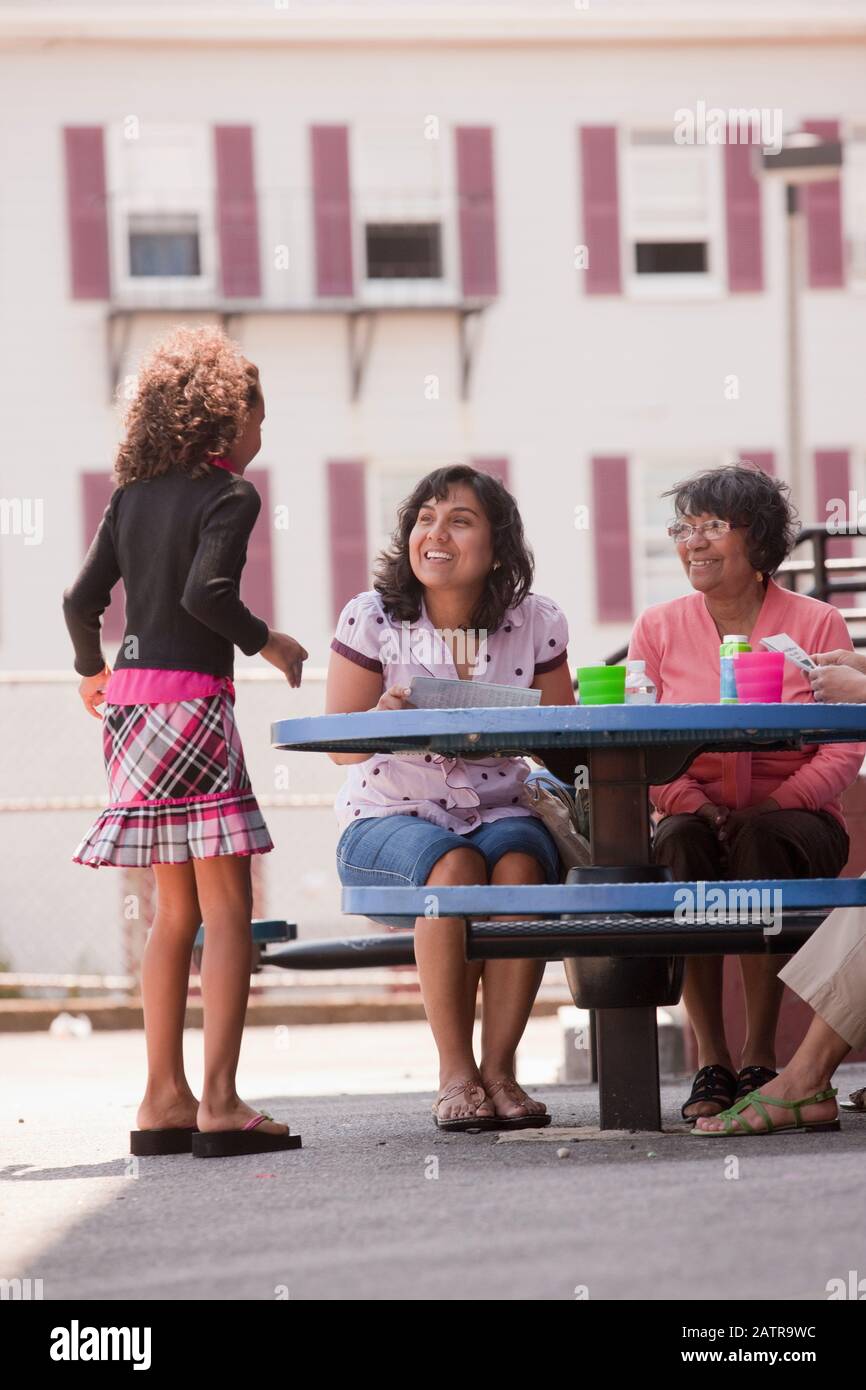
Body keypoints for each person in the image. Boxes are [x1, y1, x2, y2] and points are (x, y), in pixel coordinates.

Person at [62, 326, 308, 1159]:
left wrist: (90, 671)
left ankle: (163, 1096)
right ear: (224, 417)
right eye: (257, 422)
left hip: (130, 711)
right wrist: (269, 641)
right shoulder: (230, 495)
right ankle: (223, 1103)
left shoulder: (130, 495)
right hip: (193, 710)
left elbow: (79, 598)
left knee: (174, 914)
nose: (261, 439)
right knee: (229, 910)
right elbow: (208, 594)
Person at [326, 464, 575, 1131]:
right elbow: (344, 749)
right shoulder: (373, 615)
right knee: (453, 868)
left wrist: (514, 724)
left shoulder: (536, 620)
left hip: (502, 806)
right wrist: (387, 719)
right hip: (389, 812)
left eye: (459, 520)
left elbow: (566, 742)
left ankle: (501, 1069)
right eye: (425, 518)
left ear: (497, 547)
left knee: (520, 865)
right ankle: (456, 1073)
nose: (435, 533)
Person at [626, 464, 865, 1123]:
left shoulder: (816, 622)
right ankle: (713, 1056)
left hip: (797, 817)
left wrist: (768, 804)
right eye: (683, 527)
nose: (692, 542)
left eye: (710, 527)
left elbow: (844, 746)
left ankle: (761, 1054)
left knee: (761, 843)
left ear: (757, 540)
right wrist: (694, 805)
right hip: (693, 811)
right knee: (679, 846)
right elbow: (639, 741)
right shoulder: (659, 626)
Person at [693, 647, 866, 1135]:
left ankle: (804, 1078)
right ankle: (791, 1076)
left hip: (798, 819)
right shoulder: (663, 625)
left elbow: (839, 756)